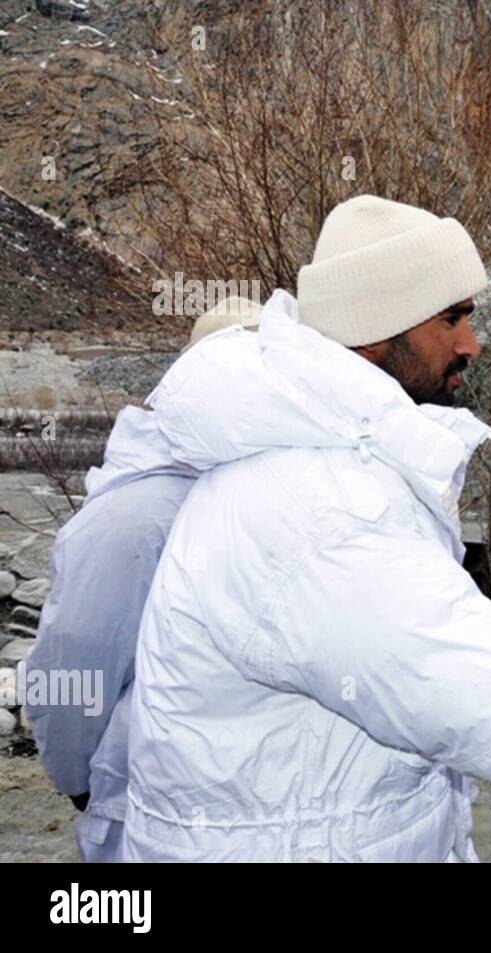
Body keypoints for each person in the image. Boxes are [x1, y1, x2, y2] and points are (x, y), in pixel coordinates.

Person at [121, 195, 491, 861]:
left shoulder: (324, 467)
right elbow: (481, 696)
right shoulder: (319, 508)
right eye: (452, 317)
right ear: (378, 327)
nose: (471, 344)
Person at [25, 297, 262, 862]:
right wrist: (81, 780)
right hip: (154, 820)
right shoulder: (133, 517)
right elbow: (74, 660)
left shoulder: (281, 491)